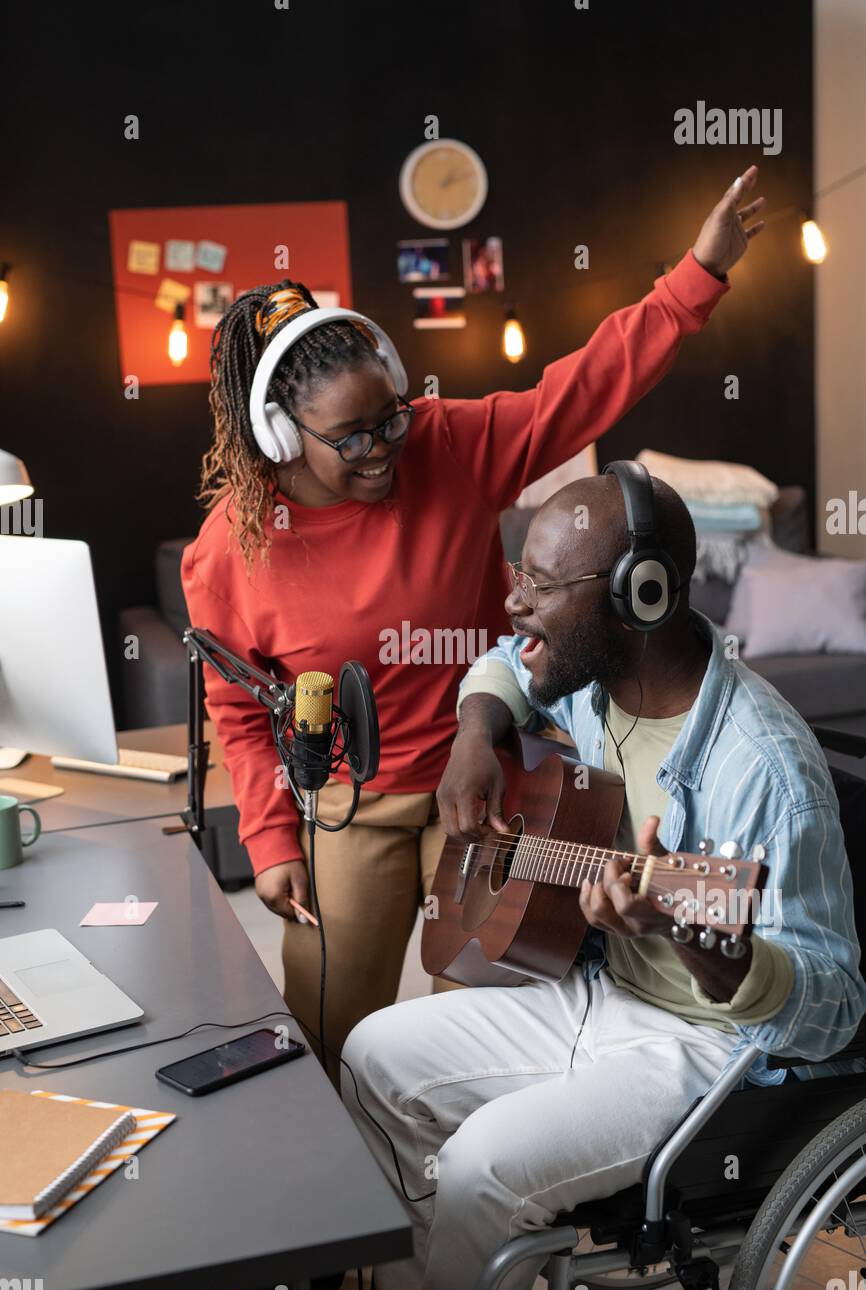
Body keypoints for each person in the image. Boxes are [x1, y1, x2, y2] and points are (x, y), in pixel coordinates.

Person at [181, 168, 765, 1085]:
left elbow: (581, 392)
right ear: (284, 436)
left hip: (490, 788)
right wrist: (270, 842)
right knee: (327, 1038)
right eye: (353, 438)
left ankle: (475, 1206)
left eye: (392, 417)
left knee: (484, 1043)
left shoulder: (445, 442)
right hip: (352, 808)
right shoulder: (231, 551)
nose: (385, 450)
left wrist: (695, 275)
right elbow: (239, 705)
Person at [341, 467, 866, 1290]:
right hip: (592, 989)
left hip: (701, 1047)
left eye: (541, 586)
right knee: (372, 1054)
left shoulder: (766, 769)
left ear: (641, 596)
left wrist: (710, 951)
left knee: (483, 1164)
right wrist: (474, 734)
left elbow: (834, 1006)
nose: (515, 604)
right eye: (522, 576)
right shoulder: (592, 684)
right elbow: (503, 664)